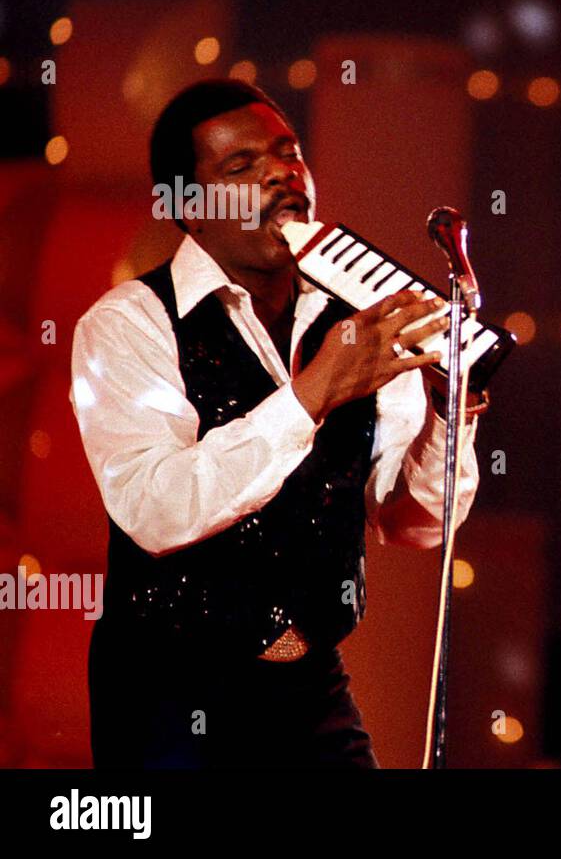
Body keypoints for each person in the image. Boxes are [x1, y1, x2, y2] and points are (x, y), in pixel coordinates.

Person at [69, 79, 483, 768]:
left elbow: (413, 521)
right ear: (186, 208)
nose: (281, 174)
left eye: (289, 155)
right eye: (241, 167)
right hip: (170, 696)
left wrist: (451, 408)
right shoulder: (128, 323)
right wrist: (313, 393)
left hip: (313, 688)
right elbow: (156, 506)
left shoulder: (354, 320)